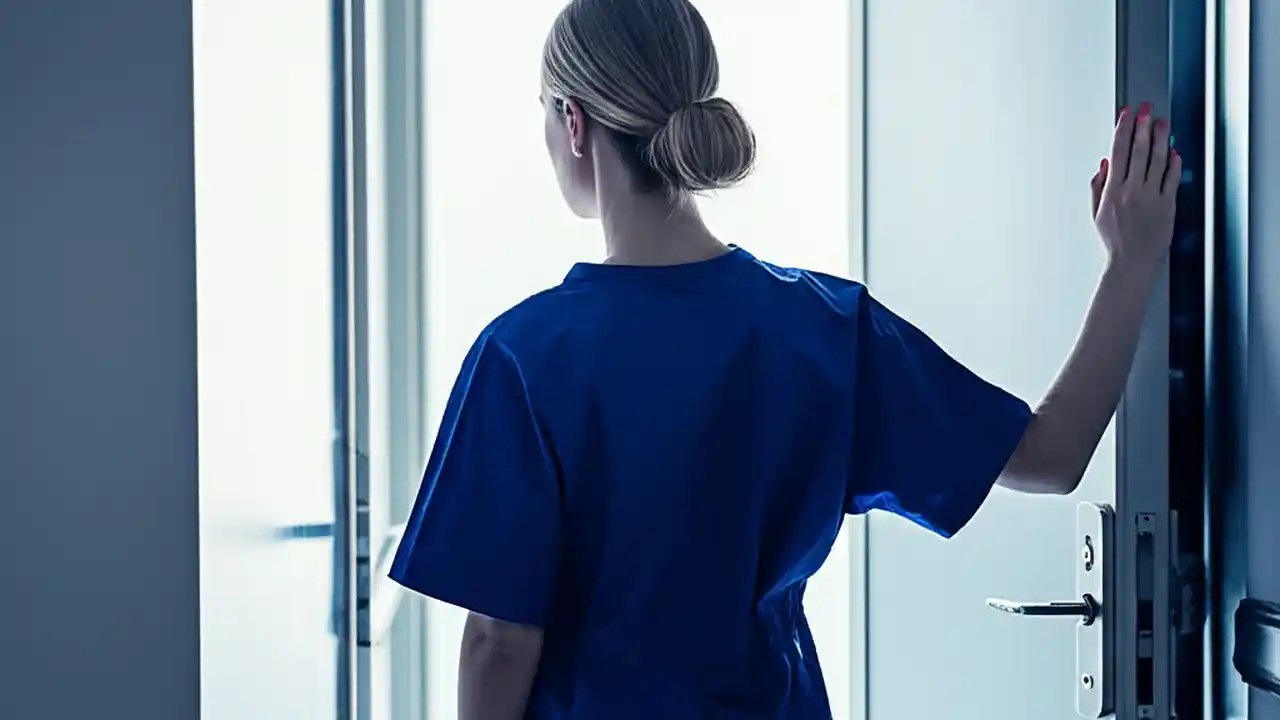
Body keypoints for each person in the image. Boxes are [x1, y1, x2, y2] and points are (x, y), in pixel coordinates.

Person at [388, 0, 1181, 717]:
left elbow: (499, 640)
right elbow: (1053, 454)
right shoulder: (822, 328)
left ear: (572, 122)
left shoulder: (524, 358)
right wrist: (1131, 262)